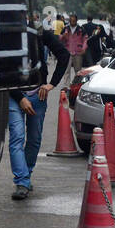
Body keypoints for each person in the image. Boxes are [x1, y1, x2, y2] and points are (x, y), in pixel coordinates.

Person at [8, 28, 71, 200]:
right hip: (14, 95)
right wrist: (20, 98)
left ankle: (26, 176)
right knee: (17, 137)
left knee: (34, 139)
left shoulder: (42, 34)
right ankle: (21, 182)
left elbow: (64, 55)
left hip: (38, 94)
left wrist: (51, 84)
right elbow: (2, 68)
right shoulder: (8, 33)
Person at [60, 13, 86, 86]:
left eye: (74, 21)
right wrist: (63, 36)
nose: (72, 22)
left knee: (78, 71)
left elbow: (85, 39)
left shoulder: (81, 29)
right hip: (67, 52)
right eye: (71, 21)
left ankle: (76, 85)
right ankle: (66, 86)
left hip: (78, 52)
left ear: (76, 21)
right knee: (66, 71)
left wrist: (84, 48)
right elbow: (60, 39)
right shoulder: (65, 28)